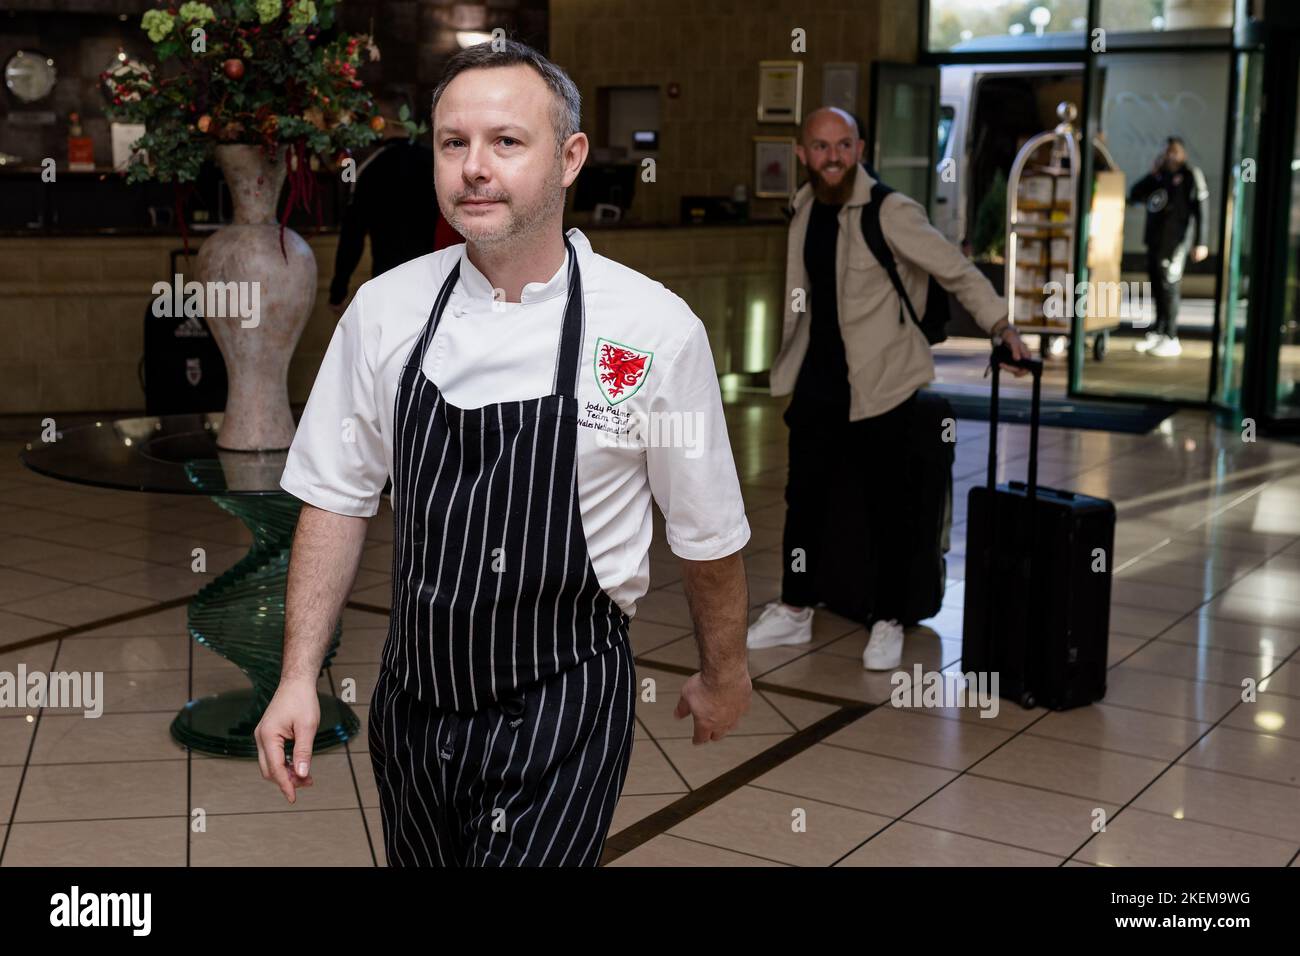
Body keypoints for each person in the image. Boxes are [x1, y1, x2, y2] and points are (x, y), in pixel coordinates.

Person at [258, 40, 753, 866]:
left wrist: (724, 670)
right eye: (454, 144)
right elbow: (336, 499)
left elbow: (707, 533)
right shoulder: (385, 312)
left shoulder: (652, 329)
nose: (473, 168)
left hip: (562, 701)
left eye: (505, 142)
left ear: (570, 159)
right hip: (414, 701)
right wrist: (296, 676)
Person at [746, 106, 1029, 671]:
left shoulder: (889, 211)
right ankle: (796, 606)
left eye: (844, 145)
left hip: (884, 383)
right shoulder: (802, 207)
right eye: (821, 147)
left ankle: (888, 618)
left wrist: (1001, 325)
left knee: (890, 509)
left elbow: (957, 269)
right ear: (802, 154)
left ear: (861, 148)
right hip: (818, 382)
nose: (833, 157)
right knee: (804, 502)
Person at [327, 90, 459, 317]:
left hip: (388, 281)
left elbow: (353, 234)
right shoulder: (438, 162)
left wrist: (338, 290)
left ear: (379, 123)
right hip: (442, 283)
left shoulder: (369, 168)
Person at [1127, 136, 1210, 358]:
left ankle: (1172, 337)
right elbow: (1134, 193)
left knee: (1169, 285)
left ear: (1183, 154)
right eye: (1166, 151)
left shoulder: (1191, 175)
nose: (1170, 156)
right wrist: (1153, 173)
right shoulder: (1159, 176)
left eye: (1174, 151)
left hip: (1177, 242)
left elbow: (1201, 209)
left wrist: (1201, 242)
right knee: (1156, 284)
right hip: (1155, 240)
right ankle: (1159, 331)